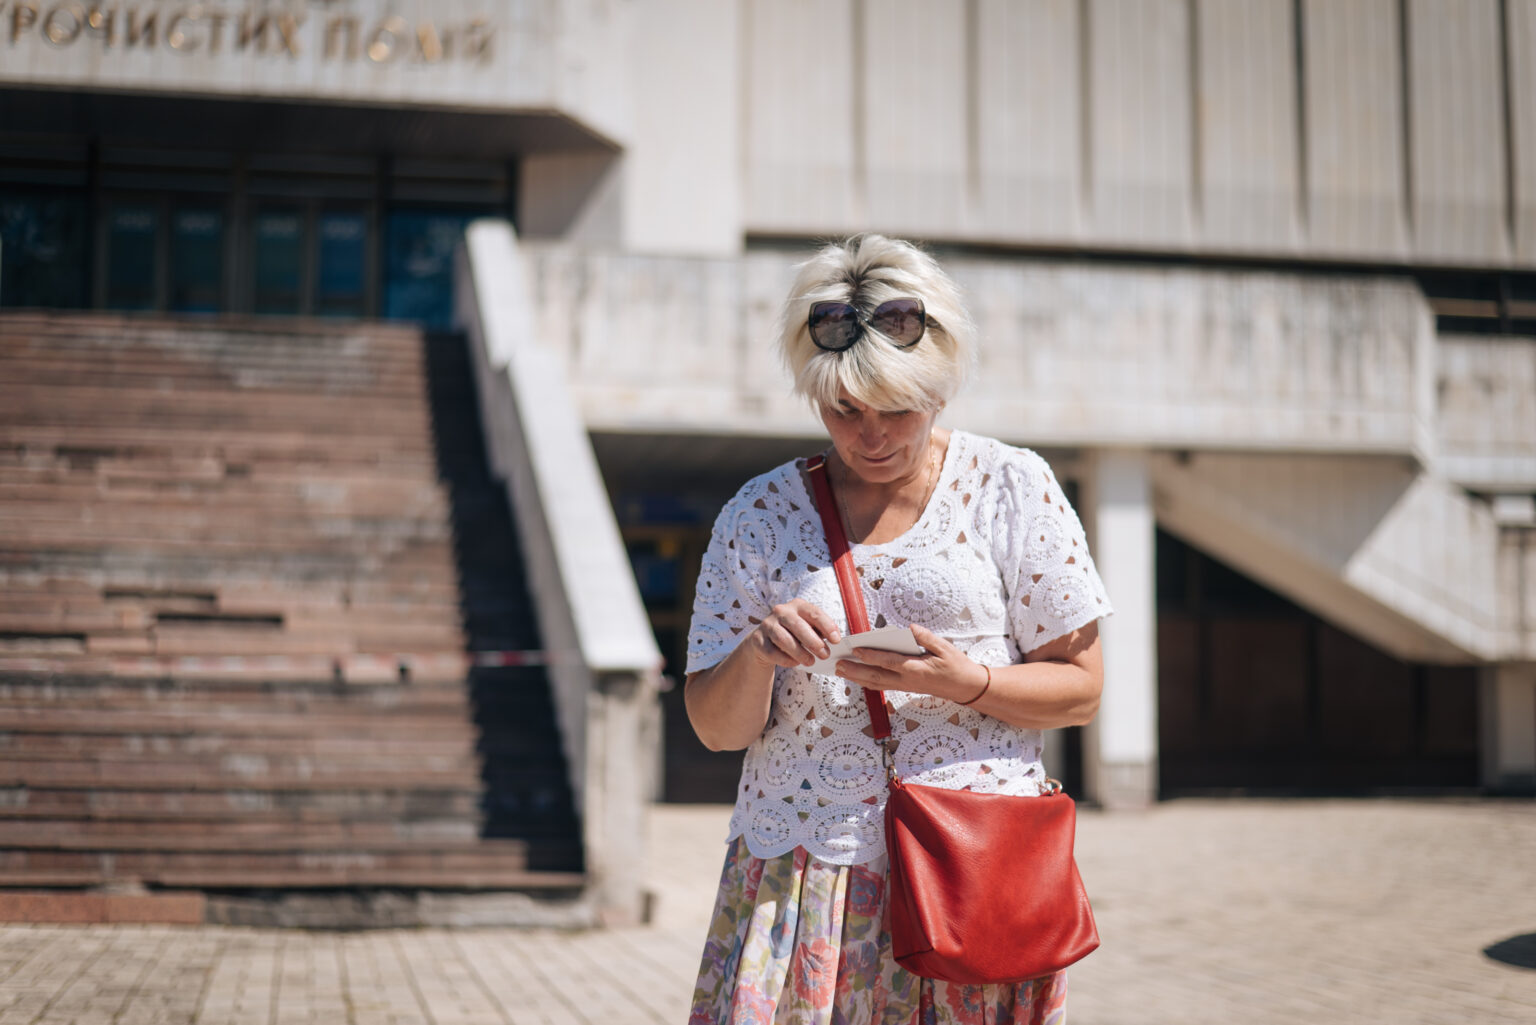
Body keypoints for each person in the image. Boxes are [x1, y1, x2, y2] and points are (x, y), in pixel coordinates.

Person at [683, 234, 1112, 1025]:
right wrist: (757, 655)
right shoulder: (760, 512)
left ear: (940, 388)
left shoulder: (1011, 486)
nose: (871, 434)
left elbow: (1082, 690)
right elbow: (715, 729)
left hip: (973, 870)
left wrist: (968, 682)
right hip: (804, 872)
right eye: (845, 410)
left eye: (896, 408)